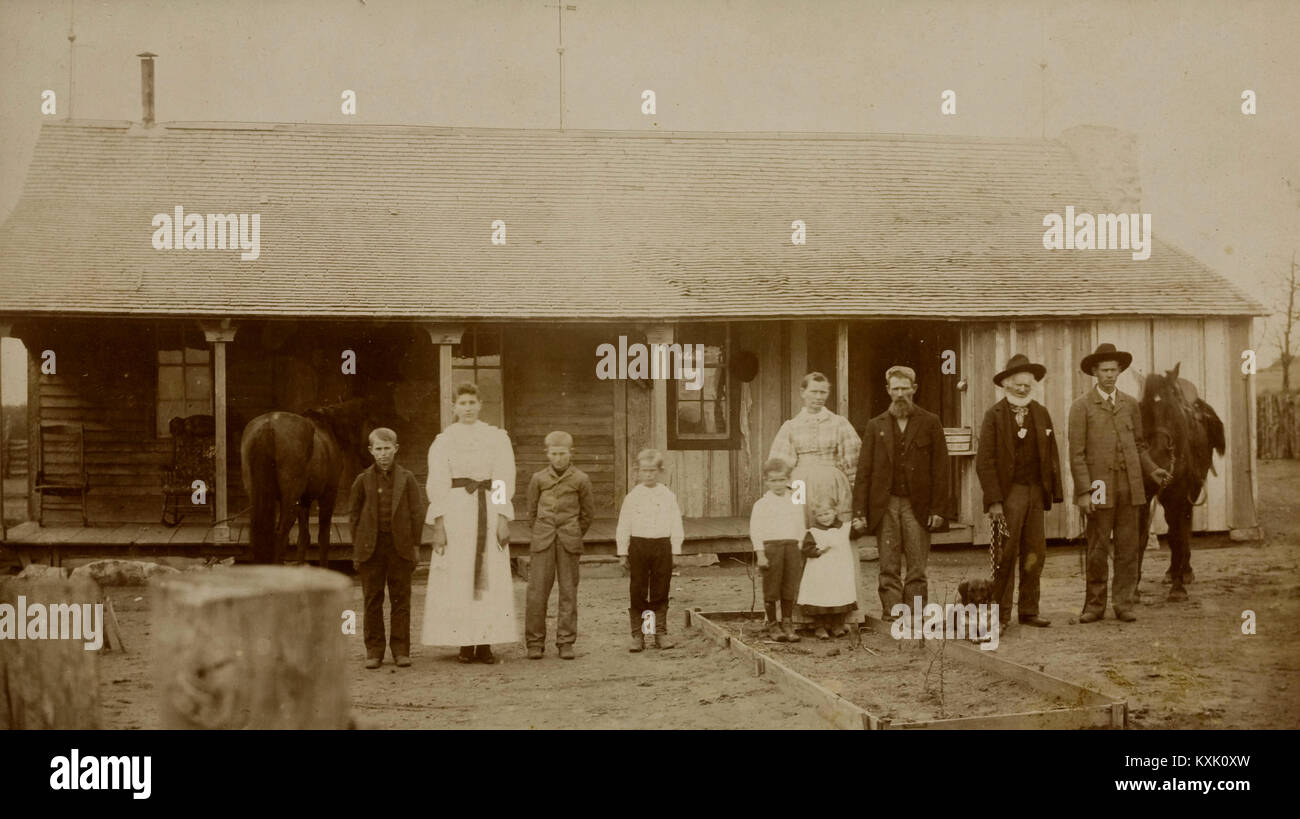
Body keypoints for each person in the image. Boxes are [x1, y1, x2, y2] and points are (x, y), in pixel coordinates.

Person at [1068, 343, 1171, 623]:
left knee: (1128, 549)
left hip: (1130, 487)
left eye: (1114, 370)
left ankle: (1124, 603)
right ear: (1094, 372)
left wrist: (1153, 470)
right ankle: (1094, 605)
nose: (1110, 375)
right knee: (1098, 550)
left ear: (1120, 372)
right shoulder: (1081, 407)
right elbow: (1076, 455)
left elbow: (1138, 446)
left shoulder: (1129, 405)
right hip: (1099, 488)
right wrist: (1084, 492)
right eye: (1105, 370)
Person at [422, 382, 518, 664]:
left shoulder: (497, 437)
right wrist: (438, 526)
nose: (467, 408)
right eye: (462, 403)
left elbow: (502, 477)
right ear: (454, 407)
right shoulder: (444, 440)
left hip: (487, 508)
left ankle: (486, 642)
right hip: (457, 512)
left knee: (489, 574)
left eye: (471, 402)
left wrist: (502, 517)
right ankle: (464, 642)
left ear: (480, 404)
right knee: (460, 574)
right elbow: (438, 483)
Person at [852, 365, 951, 620]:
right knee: (888, 563)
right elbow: (864, 472)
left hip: (917, 505)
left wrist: (939, 509)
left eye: (904, 389)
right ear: (887, 391)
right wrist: (860, 511)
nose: (900, 394)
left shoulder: (931, 422)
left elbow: (942, 470)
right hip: (885, 505)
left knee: (917, 564)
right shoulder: (876, 426)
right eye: (895, 389)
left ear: (914, 389)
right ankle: (894, 612)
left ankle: (916, 613)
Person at [975, 354, 1063, 630]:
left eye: (1028, 385)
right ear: (1006, 385)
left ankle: (1028, 610)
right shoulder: (995, 415)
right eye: (1018, 385)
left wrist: (1053, 492)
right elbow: (985, 461)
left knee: (1035, 552)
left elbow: (1052, 455)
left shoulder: (1041, 412)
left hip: (1035, 492)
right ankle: (999, 616)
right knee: (1005, 554)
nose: (1023, 389)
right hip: (1008, 493)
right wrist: (994, 501)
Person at [348, 427, 427, 669]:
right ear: (371, 451)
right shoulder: (362, 480)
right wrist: (359, 547)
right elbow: (353, 516)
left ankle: (401, 650)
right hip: (371, 548)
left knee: (400, 599)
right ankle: (374, 651)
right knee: (372, 599)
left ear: (396, 449)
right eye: (378, 449)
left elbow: (417, 513)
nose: (383, 454)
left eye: (387, 448)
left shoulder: (407, 478)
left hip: (399, 547)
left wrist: (414, 546)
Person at [523, 430, 594, 660]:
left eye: (563, 453)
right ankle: (535, 643)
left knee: (568, 593)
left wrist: (572, 532)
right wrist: (543, 531)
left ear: (571, 453)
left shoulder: (580, 479)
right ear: (547, 454)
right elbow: (531, 513)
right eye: (554, 453)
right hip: (542, 541)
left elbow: (587, 515)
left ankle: (565, 642)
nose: (559, 458)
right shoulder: (538, 479)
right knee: (536, 593)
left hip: (569, 542)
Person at [768, 372, 861, 524]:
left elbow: (853, 461)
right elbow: (779, 464)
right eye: (814, 391)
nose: (818, 397)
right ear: (803, 392)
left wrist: (855, 491)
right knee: (799, 523)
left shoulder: (839, 423)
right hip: (799, 485)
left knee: (832, 526)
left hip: (832, 483)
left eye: (823, 392)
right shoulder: (791, 426)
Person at [615, 448, 684, 652]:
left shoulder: (668, 496)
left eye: (652, 470)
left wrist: (676, 550)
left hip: (662, 545)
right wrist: (622, 552)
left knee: (660, 589)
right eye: (644, 470)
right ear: (638, 471)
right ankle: (639, 635)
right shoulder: (632, 496)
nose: (648, 474)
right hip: (638, 546)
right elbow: (624, 525)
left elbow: (676, 523)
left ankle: (658, 633)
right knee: (638, 589)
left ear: (660, 471)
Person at [748, 457, 806, 642]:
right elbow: (755, 531)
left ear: (788, 479)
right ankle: (773, 624)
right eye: (773, 480)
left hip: (791, 547)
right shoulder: (762, 504)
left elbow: (801, 526)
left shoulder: (794, 501)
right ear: (766, 481)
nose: (778, 484)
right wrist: (761, 554)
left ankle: (787, 623)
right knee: (772, 587)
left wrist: (799, 547)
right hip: (772, 548)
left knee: (789, 586)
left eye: (781, 480)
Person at [796, 500, 859, 639]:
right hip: (820, 571)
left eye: (827, 513)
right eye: (820, 515)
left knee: (838, 595)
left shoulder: (845, 528)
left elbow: (857, 533)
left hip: (839, 570)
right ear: (815, 517)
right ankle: (819, 627)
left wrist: (860, 525)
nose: (824, 517)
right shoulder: (813, 531)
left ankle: (837, 625)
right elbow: (806, 548)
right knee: (820, 596)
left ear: (835, 511)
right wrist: (817, 551)